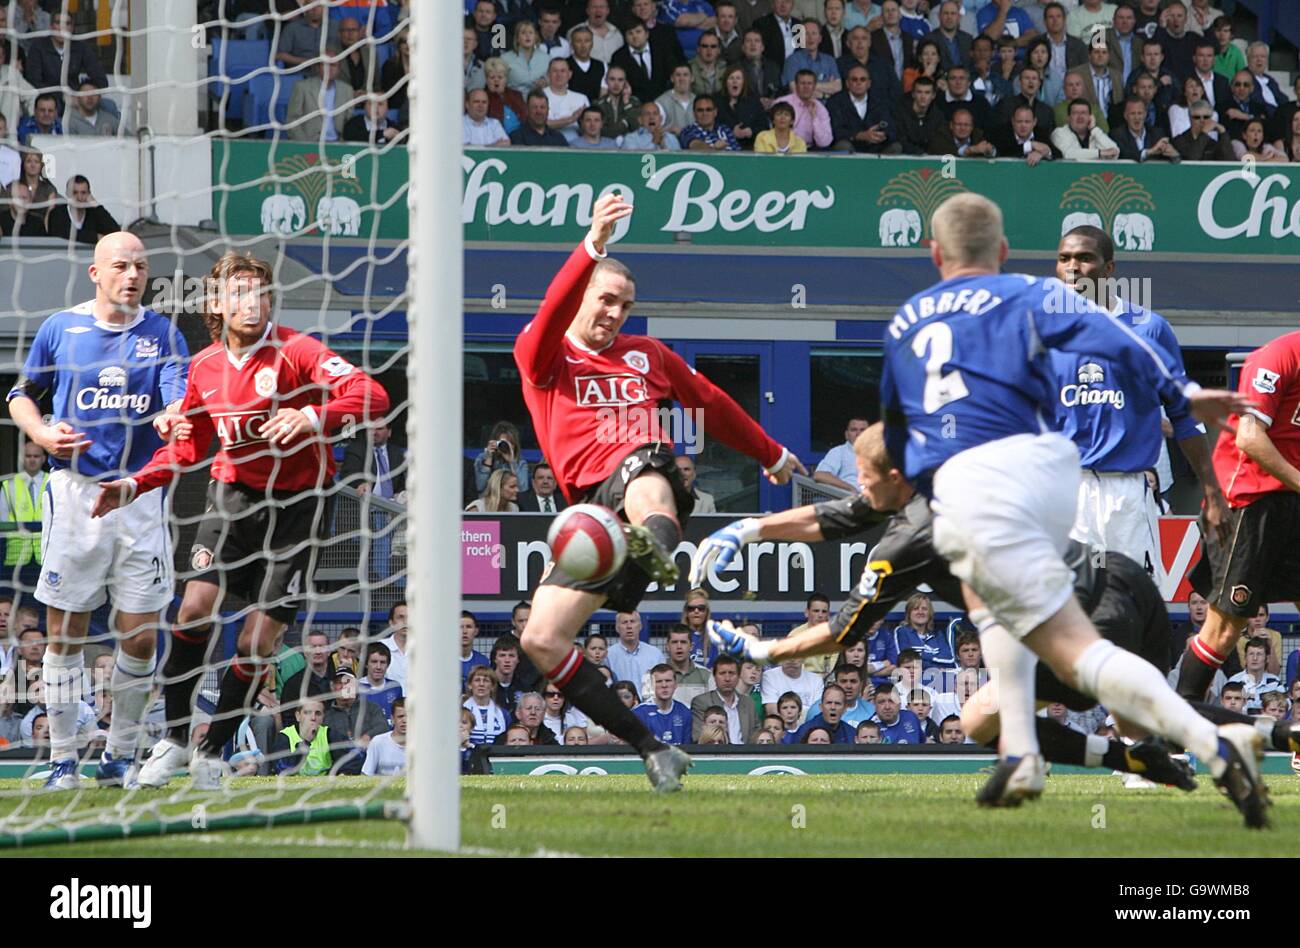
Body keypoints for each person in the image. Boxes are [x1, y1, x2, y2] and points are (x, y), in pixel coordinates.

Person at [512, 192, 800, 792]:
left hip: (642, 474)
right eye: (605, 300)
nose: (615, 314)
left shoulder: (647, 356)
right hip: (590, 516)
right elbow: (549, 310)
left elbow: (713, 405)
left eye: (625, 305)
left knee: (644, 476)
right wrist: (593, 244)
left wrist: (770, 453)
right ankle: (652, 749)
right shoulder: (543, 356)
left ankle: (654, 545)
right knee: (540, 637)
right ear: (580, 299)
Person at [95, 249, 388, 791]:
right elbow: (188, 451)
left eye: (258, 293)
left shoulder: (296, 350)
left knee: (256, 645)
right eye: (238, 294)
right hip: (232, 499)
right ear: (217, 304)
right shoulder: (204, 367)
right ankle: (177, 739)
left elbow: (373, 393)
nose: (250, 304)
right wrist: (138, 481)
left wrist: (311, 414)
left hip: (300, 510)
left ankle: (212, 749)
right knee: (193, 610)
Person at [4, 232, 187, 790]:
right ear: (95, 273)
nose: (132, 275)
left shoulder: (163, 331)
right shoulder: (63, 328)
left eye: (140, 266)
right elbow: (21, 394)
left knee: (138, 635)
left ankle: (120, 755)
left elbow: (178, 394)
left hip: (138, 496)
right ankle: (63, 760)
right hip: (76, 494)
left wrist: (171, 417)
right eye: (121, 266)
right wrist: (41, 431)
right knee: (66, 631)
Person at [1053, 226, 1225, 585]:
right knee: (1069, 609)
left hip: (1127, 492)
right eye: (1064, 258)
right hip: (1065, 492)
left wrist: (1211, 491)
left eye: (1085, 258)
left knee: (1132, 605)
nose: (1073, 267)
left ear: (1109, 268)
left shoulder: (1148, 328)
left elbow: (1183, 417)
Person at [1177, 327, 1300, 710]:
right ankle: (1173, 738)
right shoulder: (1278, 356)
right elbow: (1249, 436)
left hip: (1294, 499)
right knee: (1224, 629)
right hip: (1249, 502)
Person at [22, 11, 107, 113]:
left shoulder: (81, 47)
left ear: (72, 28)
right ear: (51, 26)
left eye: (67, 24)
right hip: (47, 101)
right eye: (58, 23)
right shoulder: (38, 47)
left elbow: (101, 80)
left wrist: (82, 94)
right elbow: (33, 82)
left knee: (110, 106)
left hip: (76, 99)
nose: (62, 28)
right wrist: (62, 96)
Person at [0, 441, 47, 575]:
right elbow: (2, 523)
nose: (32, 460)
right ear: (21, 458)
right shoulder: (8, 485)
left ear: (43, 459)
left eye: (36, 456)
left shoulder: (52, 483)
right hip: (16, 557)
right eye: (28, 456)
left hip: (46, 555)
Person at [689, 652, 754, 741]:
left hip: (746, 754)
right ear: (714, 676)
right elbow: (698, 737)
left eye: (731, 673)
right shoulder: (701, 702)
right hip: (714, 752)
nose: (727, 678)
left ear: (739, 676)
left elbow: (755, 737)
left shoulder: (748, 703)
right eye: (722, 673)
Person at [45, 175, 121, 246]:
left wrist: (96, 205)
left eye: (83, 193)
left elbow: (116, 233)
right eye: (75, 193)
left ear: (89, 194)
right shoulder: (57, 213)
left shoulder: (94, 213)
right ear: (67, 194)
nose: (79, 197)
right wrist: (96, 237)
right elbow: (60, 236)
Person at [652, 624, 715, 707]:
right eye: (674, 642)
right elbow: (649, 707)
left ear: (691, 647)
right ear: (667, 646)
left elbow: (713, 708)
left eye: (683, 642)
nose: (679, 647)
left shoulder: (706, 675)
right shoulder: (653, 674)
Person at [341, 421, 405, 500]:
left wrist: (401, 494)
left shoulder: (396, 453)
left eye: (379, 429)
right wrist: (360, 484)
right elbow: (349, 473)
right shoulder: (355, 449)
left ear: (389, 432)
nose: (374, 432)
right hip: (365, 505)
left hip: (392, 508)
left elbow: (402, 482)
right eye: (370, 428)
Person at [633, 664, 693, 744]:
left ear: (675, 684)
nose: (664, 685)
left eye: (668, 681)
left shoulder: (685, 712)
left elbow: (688, 747)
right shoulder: (639, 713)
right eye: (658, 682)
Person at [774, 68, 833, 148]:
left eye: (809, 83)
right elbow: (772, 132)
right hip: (783, 148)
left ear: (814, 86)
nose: (806, 87)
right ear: (796, 85)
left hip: (809, 150)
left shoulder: (820, 109)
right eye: (802, 83)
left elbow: (825, 143)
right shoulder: (781, 102)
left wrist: (814, 118)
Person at [605, 610, 665, 685]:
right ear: (617, 628)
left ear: (640, 626)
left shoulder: (655, 654)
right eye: (624, 622)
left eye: (632, 621)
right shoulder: (608, 655)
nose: (629, 626)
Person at [1112, 95, 1178, 161]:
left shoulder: (1157, 134)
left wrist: (1174, 155)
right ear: (1125, 116)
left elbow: (1173, 160)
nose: (1137, 118)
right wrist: (1149, 152)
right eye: (1132, 113)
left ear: (1145, 114)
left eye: (1140, 113)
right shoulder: (1117, 135)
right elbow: (1124, 155)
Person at [1051, 97, 1120, 158]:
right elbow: (1068, 154)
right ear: (1068, 118)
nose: (1080, 116)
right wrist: (1100, 153)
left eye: (1084, 113)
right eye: (1075, 113)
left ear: (1090, 117)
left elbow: (1115, 152)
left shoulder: (1096, 133)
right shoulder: (1059, 133)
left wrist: (1094, 129)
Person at [1225, 640, 1281, 715]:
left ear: (1267, 659)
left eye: (1259, 654)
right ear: (1245, 658)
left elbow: (1284, 708)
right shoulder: (1234, 681)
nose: (1255, 658)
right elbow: (1228, 708)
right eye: (1251, 654)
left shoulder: (1275, 682)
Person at [464, 665, 510, 744]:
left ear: (492, 686)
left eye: (486, 681)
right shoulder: (461, 712)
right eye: (477, 680)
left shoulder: (503, 714)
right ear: (470, 685)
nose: (481, 684)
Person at [361, 698, 407, 775]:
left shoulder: (423, 744)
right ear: (392, 719)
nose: (405, 720)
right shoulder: (378, 742)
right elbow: (366, 775)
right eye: (400, 716)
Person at [596, 66, 643, 139]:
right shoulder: (598, 104)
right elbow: (602, 132)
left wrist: (626, 102)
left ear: (625, 82)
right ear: (606, 81)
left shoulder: (634, 102)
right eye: (612, 79)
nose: (616, 84)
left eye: (620, 80)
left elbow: (637, 127)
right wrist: (625, 123)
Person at [359, 642, 402, 719]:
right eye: (374, 662)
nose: (378, 667)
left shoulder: (395, 687)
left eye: (382, 662)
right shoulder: (356, 687)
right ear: (366, 664)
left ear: (388, 665)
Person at [620, 100, 684, 149]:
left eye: (655, 114)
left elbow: (677, 161)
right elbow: (632, 161)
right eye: (647, 114)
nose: (651, 117)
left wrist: (662, 145)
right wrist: (654, 142)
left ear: (661, 119)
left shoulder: (671, 138)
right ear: (640, 120)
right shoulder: (631, 138)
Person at [378, 601, 409, 689]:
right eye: (400, 617)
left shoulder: (426, 650)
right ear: (391, 623)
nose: (405, 621)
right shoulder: (379, 646)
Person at [460, 611, 491, 689]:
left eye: (469, 627)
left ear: (476, 631)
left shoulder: (483, 661)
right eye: (460, 627)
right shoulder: (445, 661)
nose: (464, 631)